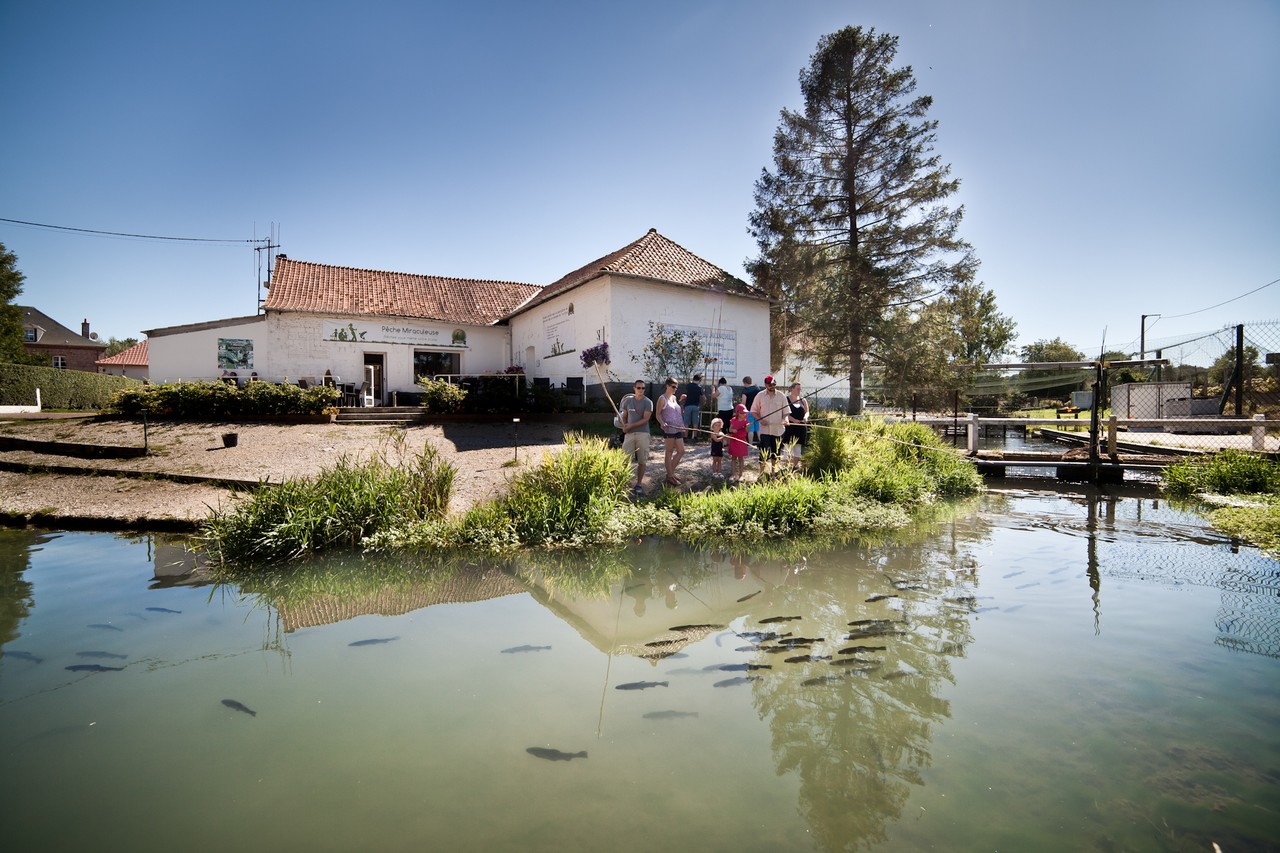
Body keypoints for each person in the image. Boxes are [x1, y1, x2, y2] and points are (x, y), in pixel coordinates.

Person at [619, 380, 653, 496]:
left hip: (643, 433)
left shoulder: (648, 402)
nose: (641, 390)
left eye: (643, 388)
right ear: (634, 388)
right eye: (639, 388)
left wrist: (631, 426)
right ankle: (623, 482)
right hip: (629, 434)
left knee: (642, 460)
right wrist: (624, 426)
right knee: (625, 459)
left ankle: (638, 484)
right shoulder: (628, 401)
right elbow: (624, 416)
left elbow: (646, 419)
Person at [750, 375, 786, 475]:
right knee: (763, 453)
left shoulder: (781, 396)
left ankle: (773, 473)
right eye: (770, 384)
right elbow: (753, 411)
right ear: (765, 384)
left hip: (778, 430)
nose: (772, 386)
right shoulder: (759, 396)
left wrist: (785, 419)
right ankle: (761, 474)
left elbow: (786, 412)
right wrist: (760, 420)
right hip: (764, 430)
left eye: (774, 384)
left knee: (776, 453)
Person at [657, 377, 686, 486]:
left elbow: (676, 412)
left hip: (678, 428)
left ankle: (670, 473)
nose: (675, 389)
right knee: (669, 452)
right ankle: (670, 475)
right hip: (669, 429)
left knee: (681, 451)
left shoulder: (673, 398)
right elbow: (658, 414)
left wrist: (682, 425)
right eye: (673, 387)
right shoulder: (662, 399)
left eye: (676, 387)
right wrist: (662, 422)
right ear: (667, 386)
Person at [781, 382, 810, 469]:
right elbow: (784, 413)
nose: (799, 391)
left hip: (800, 428)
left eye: (800, 389)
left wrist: (805, 417)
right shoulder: (786, 400)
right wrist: (793, 420)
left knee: (797, 448)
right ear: (792, 389)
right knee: (787, 448)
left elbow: (807, 411)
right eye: (797, 389)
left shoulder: (803, 400)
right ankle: (785, 467)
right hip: (789, 427)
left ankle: (794, 466)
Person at [727, 403, 750, 481]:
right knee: (733, 458)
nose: (743, 414)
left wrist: (748, 427)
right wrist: (733, 430)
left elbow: (747, 431)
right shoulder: (733, 420)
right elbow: (730, 429)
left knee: (741, 458)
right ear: (737, 413)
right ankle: (733, 474)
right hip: (734, 440)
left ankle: (741, 475)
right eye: (741, 413)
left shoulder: (746, 422)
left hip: (742, 440)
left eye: (744, 413)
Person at [740, 376, 762, 444]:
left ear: (745, 382)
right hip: (758, 411)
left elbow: (743, 402)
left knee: (750, 428)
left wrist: (741, 410)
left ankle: (750, 443)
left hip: (749, 411)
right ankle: (762, 443)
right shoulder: (757, 388)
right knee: (758, 428)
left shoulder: (745, 390)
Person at [682, 373, 703, 442]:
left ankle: (685, 437)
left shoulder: (688, 386)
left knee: (686, 422)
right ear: (699, 380)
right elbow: (703, 397)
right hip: (696, 405)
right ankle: (695, 437)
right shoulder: (699, 387)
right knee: (695, 422)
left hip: (688, 405)